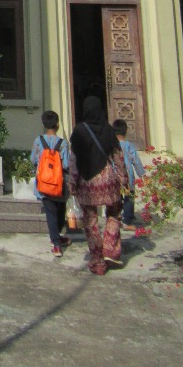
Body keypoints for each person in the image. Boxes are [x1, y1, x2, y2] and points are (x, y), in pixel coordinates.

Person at [69, 96, 129, 275]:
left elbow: (74, 161)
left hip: (87, 183)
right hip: (108, 180)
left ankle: (98, 261)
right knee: (114, 213)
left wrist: (72, 182)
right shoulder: (109, 131)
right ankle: (110, 248)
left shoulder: (79, 131)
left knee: (90, 222)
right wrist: (124, 179)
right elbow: (118, 158)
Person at [30, 109, 71, 258]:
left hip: (44, 183)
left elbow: (33, 160)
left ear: (44, 124)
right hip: (59, 184)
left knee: (50, 213)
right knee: (60, 210)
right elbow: (66, 164)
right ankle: (57, 239)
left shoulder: (38, 141)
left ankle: (56, 243)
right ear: (57, 124)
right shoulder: (63, 144)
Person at [112, 118, 145, 230]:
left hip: (114, 176)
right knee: (128, 198)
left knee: (116, 198)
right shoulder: (128, 145)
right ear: (126, 131)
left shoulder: (111, 145)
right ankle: (127, 221)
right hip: (127, 176)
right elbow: (135, 160)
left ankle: (117, 217)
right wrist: (141, 174)